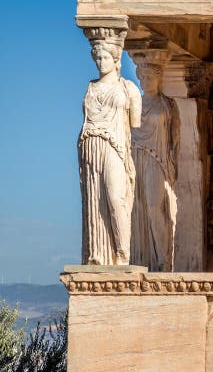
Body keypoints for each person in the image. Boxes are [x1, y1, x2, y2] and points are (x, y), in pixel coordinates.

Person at [78, 31, 141, 265]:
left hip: (116, 146)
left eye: (104, 57)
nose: (100, 62)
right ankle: (100, 255)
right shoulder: (90, 87)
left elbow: (136, 126)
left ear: (116, 60)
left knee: (116, 197)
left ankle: (123, 253)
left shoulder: (129, 89)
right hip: (90, 145)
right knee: (95, 201)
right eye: (97, 58)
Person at [131, 59, 179, 272]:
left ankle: (164, 259)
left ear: (159, 79)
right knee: (135, 208)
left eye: (151, 77)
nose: (147, 81)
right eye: (144, 76)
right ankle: (142, 257)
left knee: (154, 207)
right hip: (134, 156)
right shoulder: (133, 103)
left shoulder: (166, 105)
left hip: (157, 159)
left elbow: (174, 137)